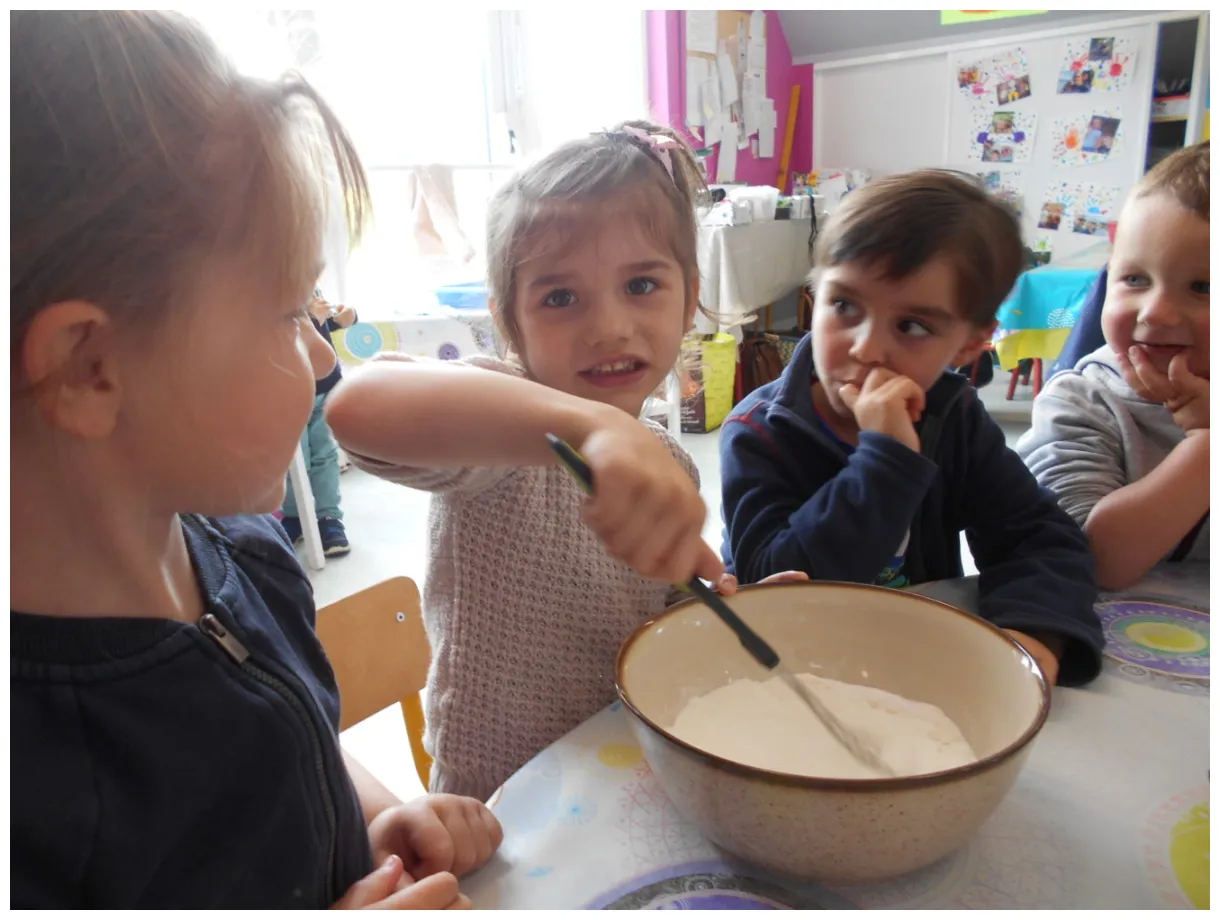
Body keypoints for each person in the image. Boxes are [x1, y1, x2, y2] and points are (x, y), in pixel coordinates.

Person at [11, 11, 500, 909]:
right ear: (89, 366)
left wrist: (375, 822)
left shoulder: (239, 548)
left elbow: (287, 737)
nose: (321, 359)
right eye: (288, 316)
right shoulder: (35, 787)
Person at [326, 121, 802, 803]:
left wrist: (713, 607)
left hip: (619, 766)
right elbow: (359, 406)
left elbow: (649, 601)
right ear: (511, 323)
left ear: (690, 294)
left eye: (641, 285)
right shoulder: (504, 430)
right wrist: (587, 425)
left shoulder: (665, 458)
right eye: (559, 297)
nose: (608, 326)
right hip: (499, 800)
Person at [718, 170, 1103, 689]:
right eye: (844, 306)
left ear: (969, 345)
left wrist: (1034, 633)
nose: (865, 348)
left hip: (911, 669)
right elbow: (776, 589)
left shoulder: (954, 417)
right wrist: (887, 459)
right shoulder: (757, 433)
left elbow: (1039, 539)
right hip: (790, 678)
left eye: (913, 326)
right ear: (815, 294)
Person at [1018, 142, 1209, 591]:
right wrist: (1206, 447)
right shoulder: (1083, 402)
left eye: (1203, 286)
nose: (1155, 313)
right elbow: (1089, 561)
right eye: (1134, 279)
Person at [280, 287, 357, 556]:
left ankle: (329, 518)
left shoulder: (308, 282)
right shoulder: (268, 289)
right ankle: (295, 516)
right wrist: (311, 320)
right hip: (290, 390)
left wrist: (346, 317)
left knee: (325, 454)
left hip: (326, 387)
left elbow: (329, 321)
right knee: (294, 460)